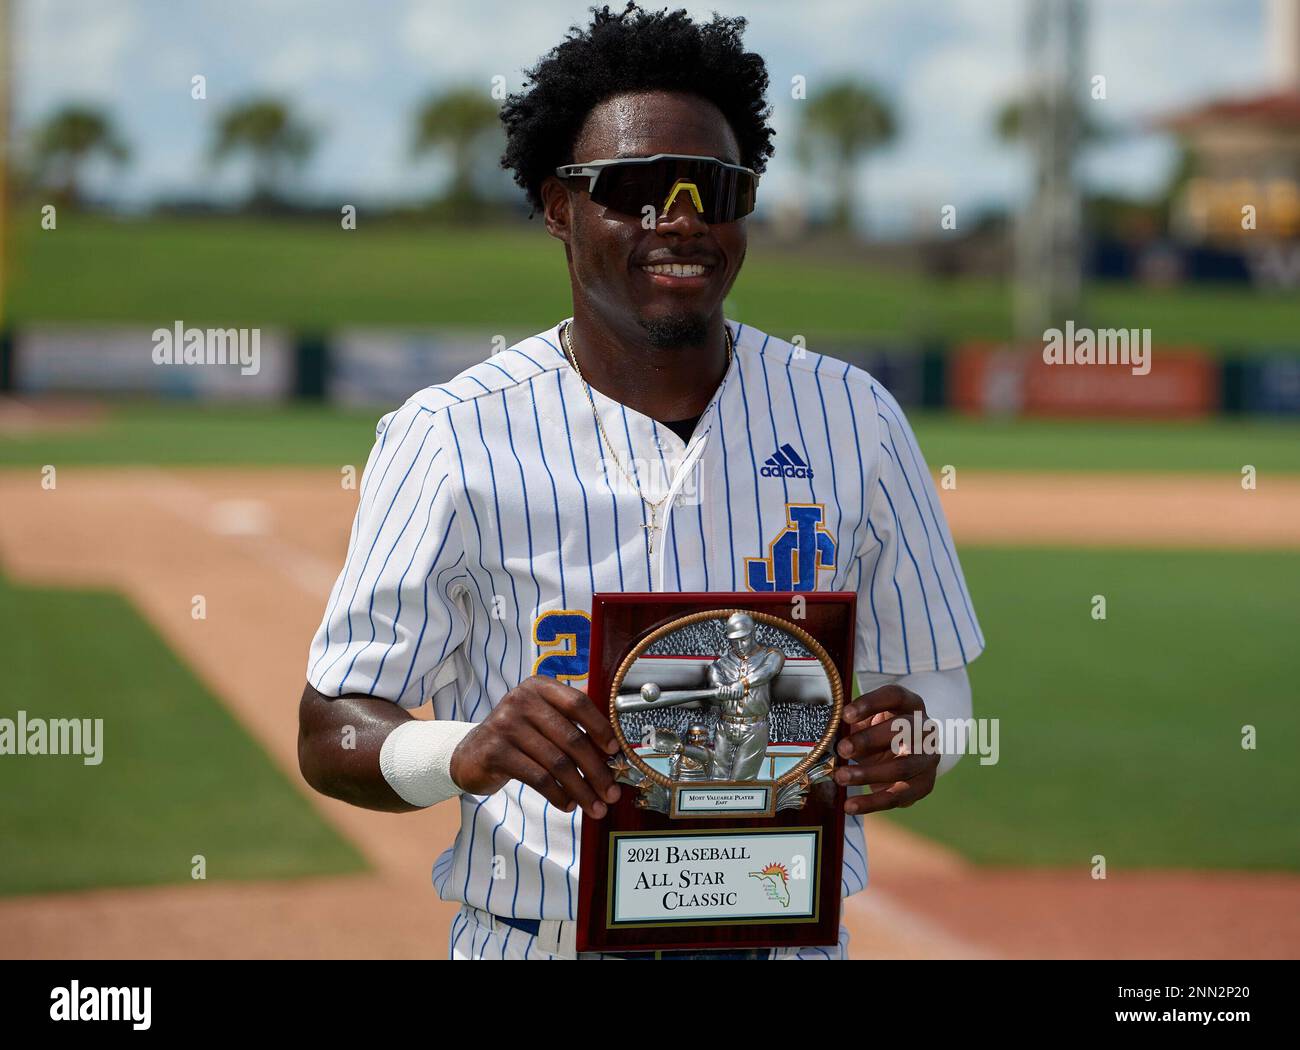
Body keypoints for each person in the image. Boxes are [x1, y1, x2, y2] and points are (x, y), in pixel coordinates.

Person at [298, 3, 983, 960]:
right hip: (540, 939)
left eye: (713, 186)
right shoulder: (449, 434)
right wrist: (465, 750)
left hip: (784, 938)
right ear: (556, 206)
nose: (681, 220)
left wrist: (914, 739)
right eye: (635, 187)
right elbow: (332, 729)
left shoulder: (854, 417)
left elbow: (938, 692)